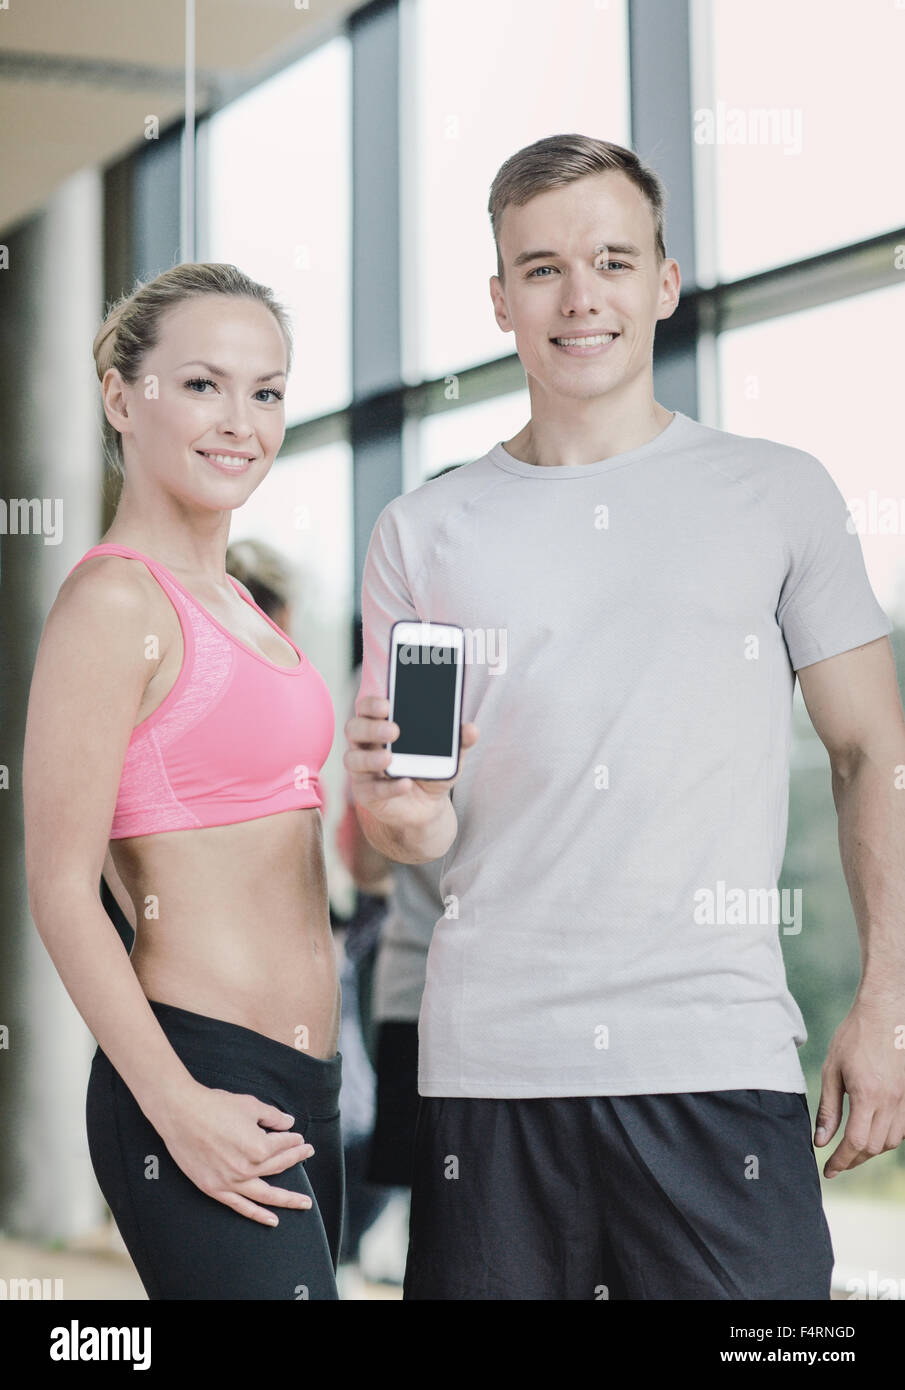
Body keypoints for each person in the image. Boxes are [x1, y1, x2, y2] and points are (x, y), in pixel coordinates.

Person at [345, 133, 905, 1300]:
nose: (578, 294)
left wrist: (886, 1003)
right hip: (490, 1069)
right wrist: (397, 809)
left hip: (714, 1054)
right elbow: (416, 832)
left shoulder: (777, 491)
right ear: (499, 300)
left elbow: (871, 752)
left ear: (663, 280)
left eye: (610, 257)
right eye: (540, 266)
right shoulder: (421, 531)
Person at [23, 262, 345, 1300]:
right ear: (123, 397)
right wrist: (176, 1103)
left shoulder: (246, 605)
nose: (240, 421)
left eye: (266, 390)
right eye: (202, 384)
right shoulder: (116, 603)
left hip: (306, 1080)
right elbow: (61, 887)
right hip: (200, 1070)